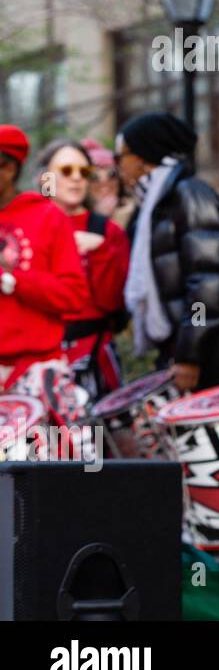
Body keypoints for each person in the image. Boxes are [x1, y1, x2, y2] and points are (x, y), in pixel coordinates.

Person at [116, 112, 219, 392]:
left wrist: (189, 356)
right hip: (181, 346)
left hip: (213, 352)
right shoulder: (153, 207)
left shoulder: (188, 195)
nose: (119, 167)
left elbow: (207, 283)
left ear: (144, 157)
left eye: (122, 156)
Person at [0, 125, 94, 455]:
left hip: (37, 374)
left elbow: (73, 295)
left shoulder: (46, 217)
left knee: (49, 485)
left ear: (9, 168)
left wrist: (15, 281)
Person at [35, 140, 129, 401]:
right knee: (43, 441)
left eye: (84, 171)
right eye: (66, 171)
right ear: (46, 178)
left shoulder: (107, 231)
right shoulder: (25, 229)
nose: (76, 179)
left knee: (103, 438)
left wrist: (98, 253)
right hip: (38, 362)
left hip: (94, 354)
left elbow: (113, 301)